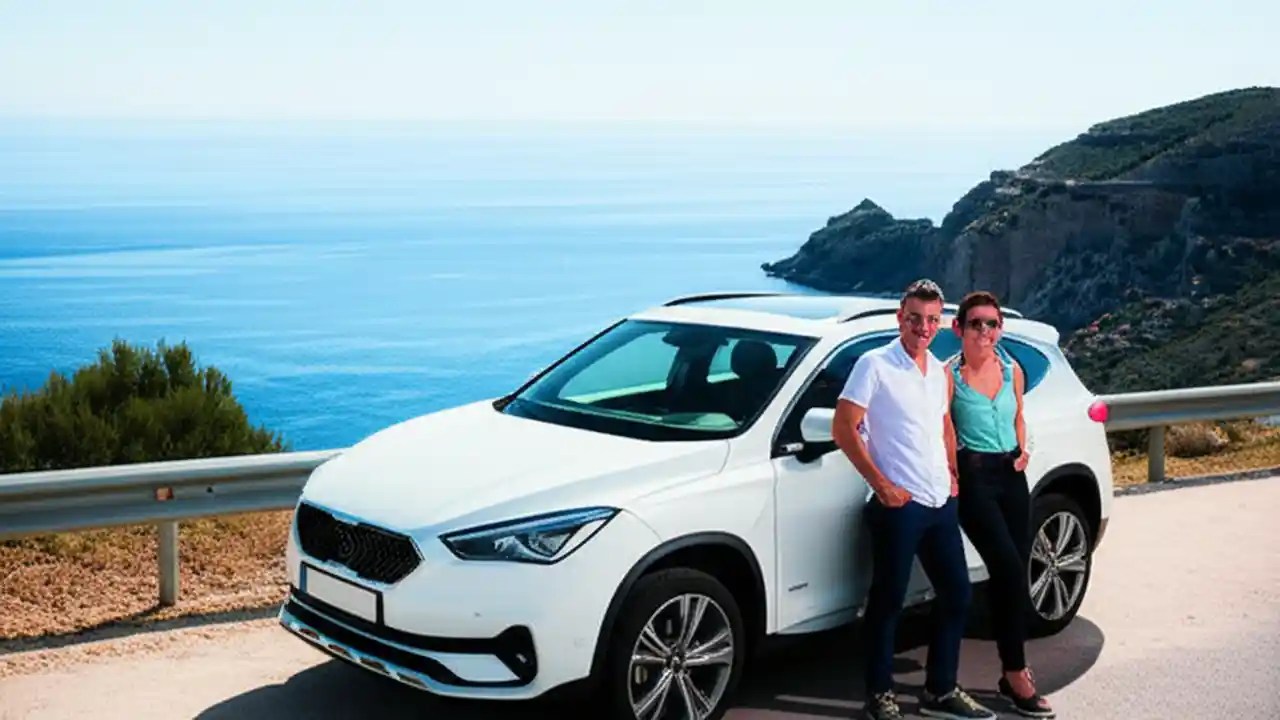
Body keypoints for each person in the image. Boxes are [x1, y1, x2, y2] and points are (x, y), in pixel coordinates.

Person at [833, 278, 995, 720]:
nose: (922, 327)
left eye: (930, 320)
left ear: (940, 324)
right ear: (900, 318)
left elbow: (943, 425)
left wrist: (953, 475)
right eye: (914, 318)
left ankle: (940, 691)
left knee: (958, 594)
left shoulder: (939, 371)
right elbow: (844, 428)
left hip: (940, 502)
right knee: (888, 602)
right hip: (899, 508)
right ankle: (879, 697)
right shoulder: (875, 365)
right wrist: (882, 486)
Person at [947, 291, 1055, 718]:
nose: (985, 331)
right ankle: (1015, 674)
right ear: (959, 328)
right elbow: (944, 430)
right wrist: (953, 472)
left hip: (1012, 475)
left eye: (992, 324)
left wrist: (1023, 446)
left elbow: (1018, 414)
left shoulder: (1012, 371)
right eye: (976, 323)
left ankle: (1011, 669)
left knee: (1015, 570)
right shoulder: (947, 377)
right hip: (974, 479)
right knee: (1008, 570)